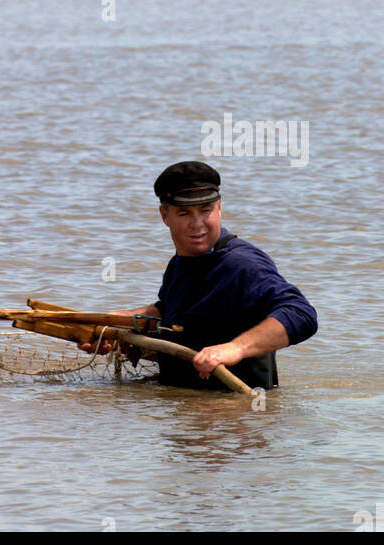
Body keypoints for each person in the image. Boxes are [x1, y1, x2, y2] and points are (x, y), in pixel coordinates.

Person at [86, 161, 318, 390]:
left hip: (237, 413)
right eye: (184, 213)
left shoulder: (242, 265)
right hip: (185, 410)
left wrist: (235, 348)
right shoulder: (180, 263)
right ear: (165, 216)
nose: (197, 224)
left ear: (219, 208)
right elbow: (170, 312)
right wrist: (113, 323)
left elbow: (301, 313)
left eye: (205, 211)